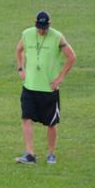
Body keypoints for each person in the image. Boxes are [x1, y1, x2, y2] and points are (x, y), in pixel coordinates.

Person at [14, 10, 76, 165]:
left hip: (48, 90)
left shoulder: (57, 37)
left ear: (49, 25)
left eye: (44, 27)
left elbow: (71, 57)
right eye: (39, 27)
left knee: (51, 124)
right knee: (26, 118)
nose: (41, 30)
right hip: (29, 87)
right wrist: (21, 68)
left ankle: (51, 153)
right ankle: (29, 154)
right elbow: (19, 50)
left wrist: (60, 77)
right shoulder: (27, 34)